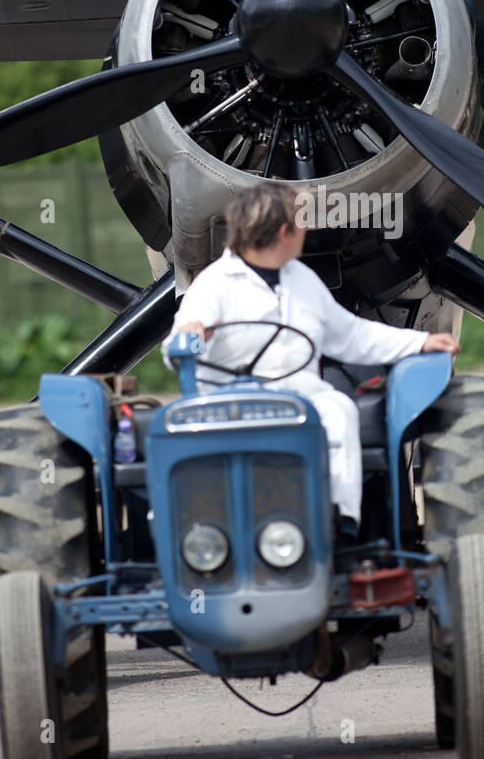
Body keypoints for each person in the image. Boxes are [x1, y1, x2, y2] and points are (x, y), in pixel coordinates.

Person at [161, 180, 459, 543]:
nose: (307, 229)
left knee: (338, 410)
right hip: (227, 400)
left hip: (299, 394)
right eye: (301, 222)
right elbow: (174, 349)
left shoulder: (301, 280)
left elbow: (351, 335)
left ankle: (340, 518)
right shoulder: (213, 285)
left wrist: (421, 342)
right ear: (284, 232)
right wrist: (192, 334)